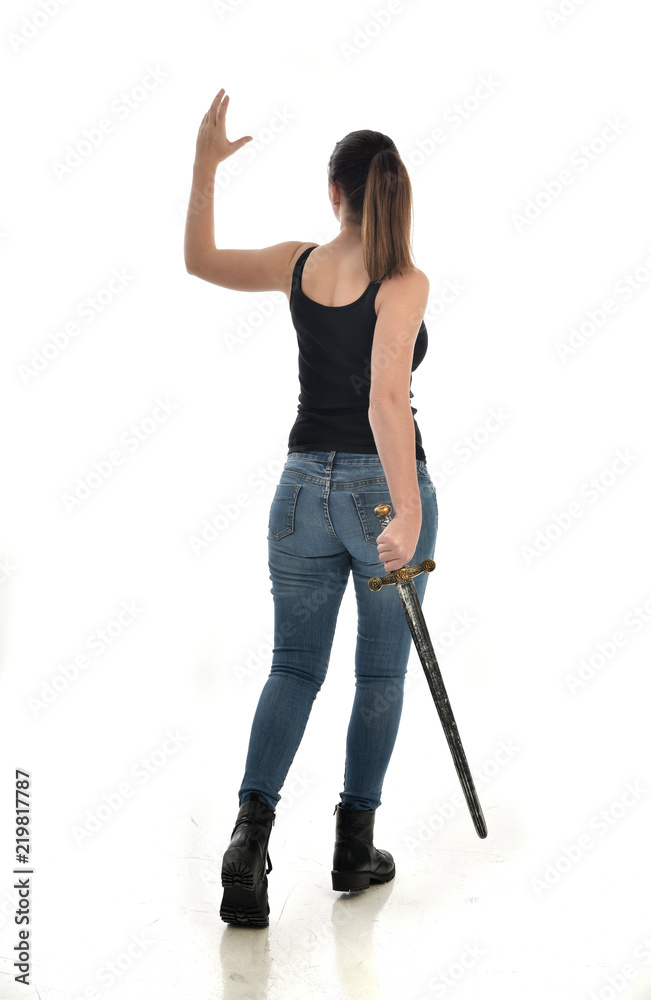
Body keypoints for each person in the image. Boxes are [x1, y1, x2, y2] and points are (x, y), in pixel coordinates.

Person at [185, 90, 438, 928]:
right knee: (377, 674)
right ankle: (352, 845)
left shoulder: (299, 263)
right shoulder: (404, 280)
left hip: (298, 491)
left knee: (292, 668)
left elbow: (200, 260)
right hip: (378, 491)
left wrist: (205, 166)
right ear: (391, 191)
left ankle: (246, 844)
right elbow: (387, 400)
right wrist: (402, 509)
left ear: (335, 193)